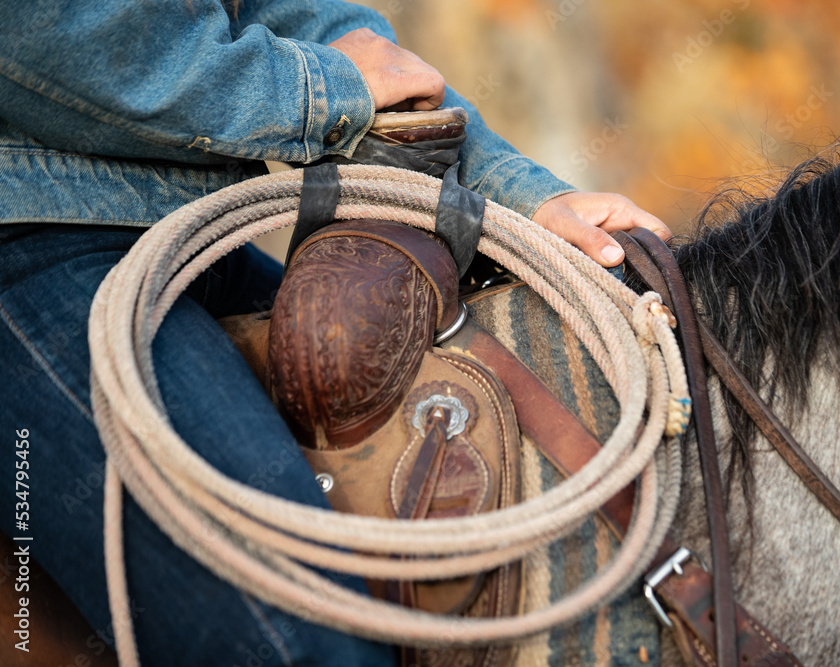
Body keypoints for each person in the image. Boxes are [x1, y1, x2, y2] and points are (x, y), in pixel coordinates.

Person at [0, 1, 669, 664]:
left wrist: (519, 194)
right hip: (34, 243)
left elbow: (295, 16)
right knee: (303, 636)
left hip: (198, 235)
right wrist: (322, 95)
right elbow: (33, 33)